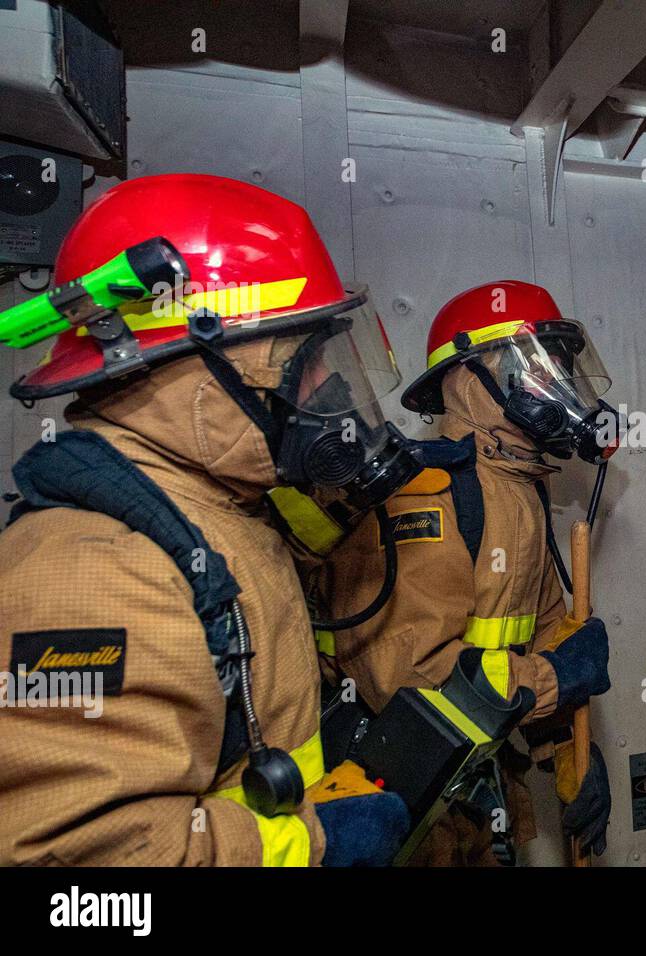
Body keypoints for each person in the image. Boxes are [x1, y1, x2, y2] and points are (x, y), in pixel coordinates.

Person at [0, 174, 409, 866]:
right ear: (196, 370)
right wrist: (310, 845)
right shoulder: (90, 571)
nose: (326, 392)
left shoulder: (223, 505)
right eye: (301, 363)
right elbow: (81, 882)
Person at [310, 280, 616, 865]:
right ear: (467, 382)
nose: (554, 386)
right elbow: (414, 682)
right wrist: (554, 681)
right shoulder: (422, 498)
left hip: (480, 787)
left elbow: (544, 629)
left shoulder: (519, 491)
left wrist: (568, 757)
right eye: (533, 366)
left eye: (559, 368)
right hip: (400, 805)